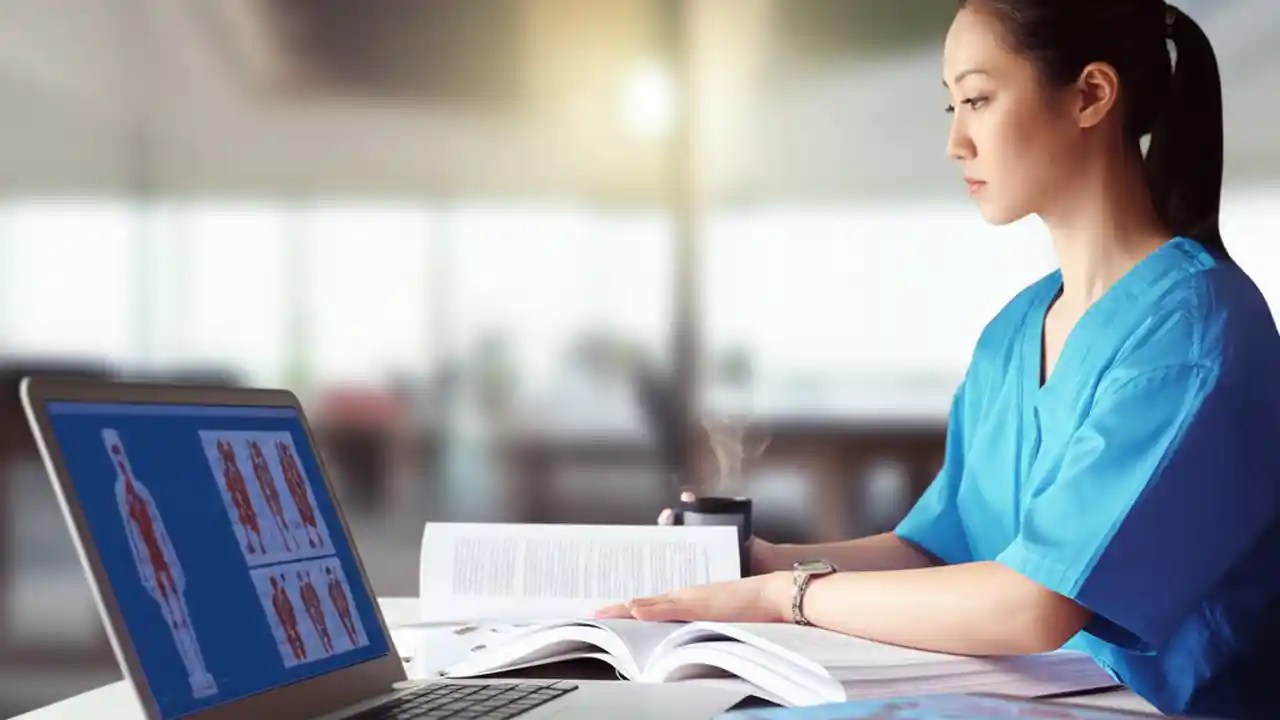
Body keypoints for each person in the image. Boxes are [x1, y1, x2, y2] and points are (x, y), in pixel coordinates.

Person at [595, 2, 1280, 717]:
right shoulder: (1014, 333)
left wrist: (784, 597)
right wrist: (764, 560)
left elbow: (1031, 608)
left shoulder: (1194, 335)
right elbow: (936, 549)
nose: (956, 140)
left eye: (979, 99)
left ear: (1090, 96)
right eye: (952, 105)